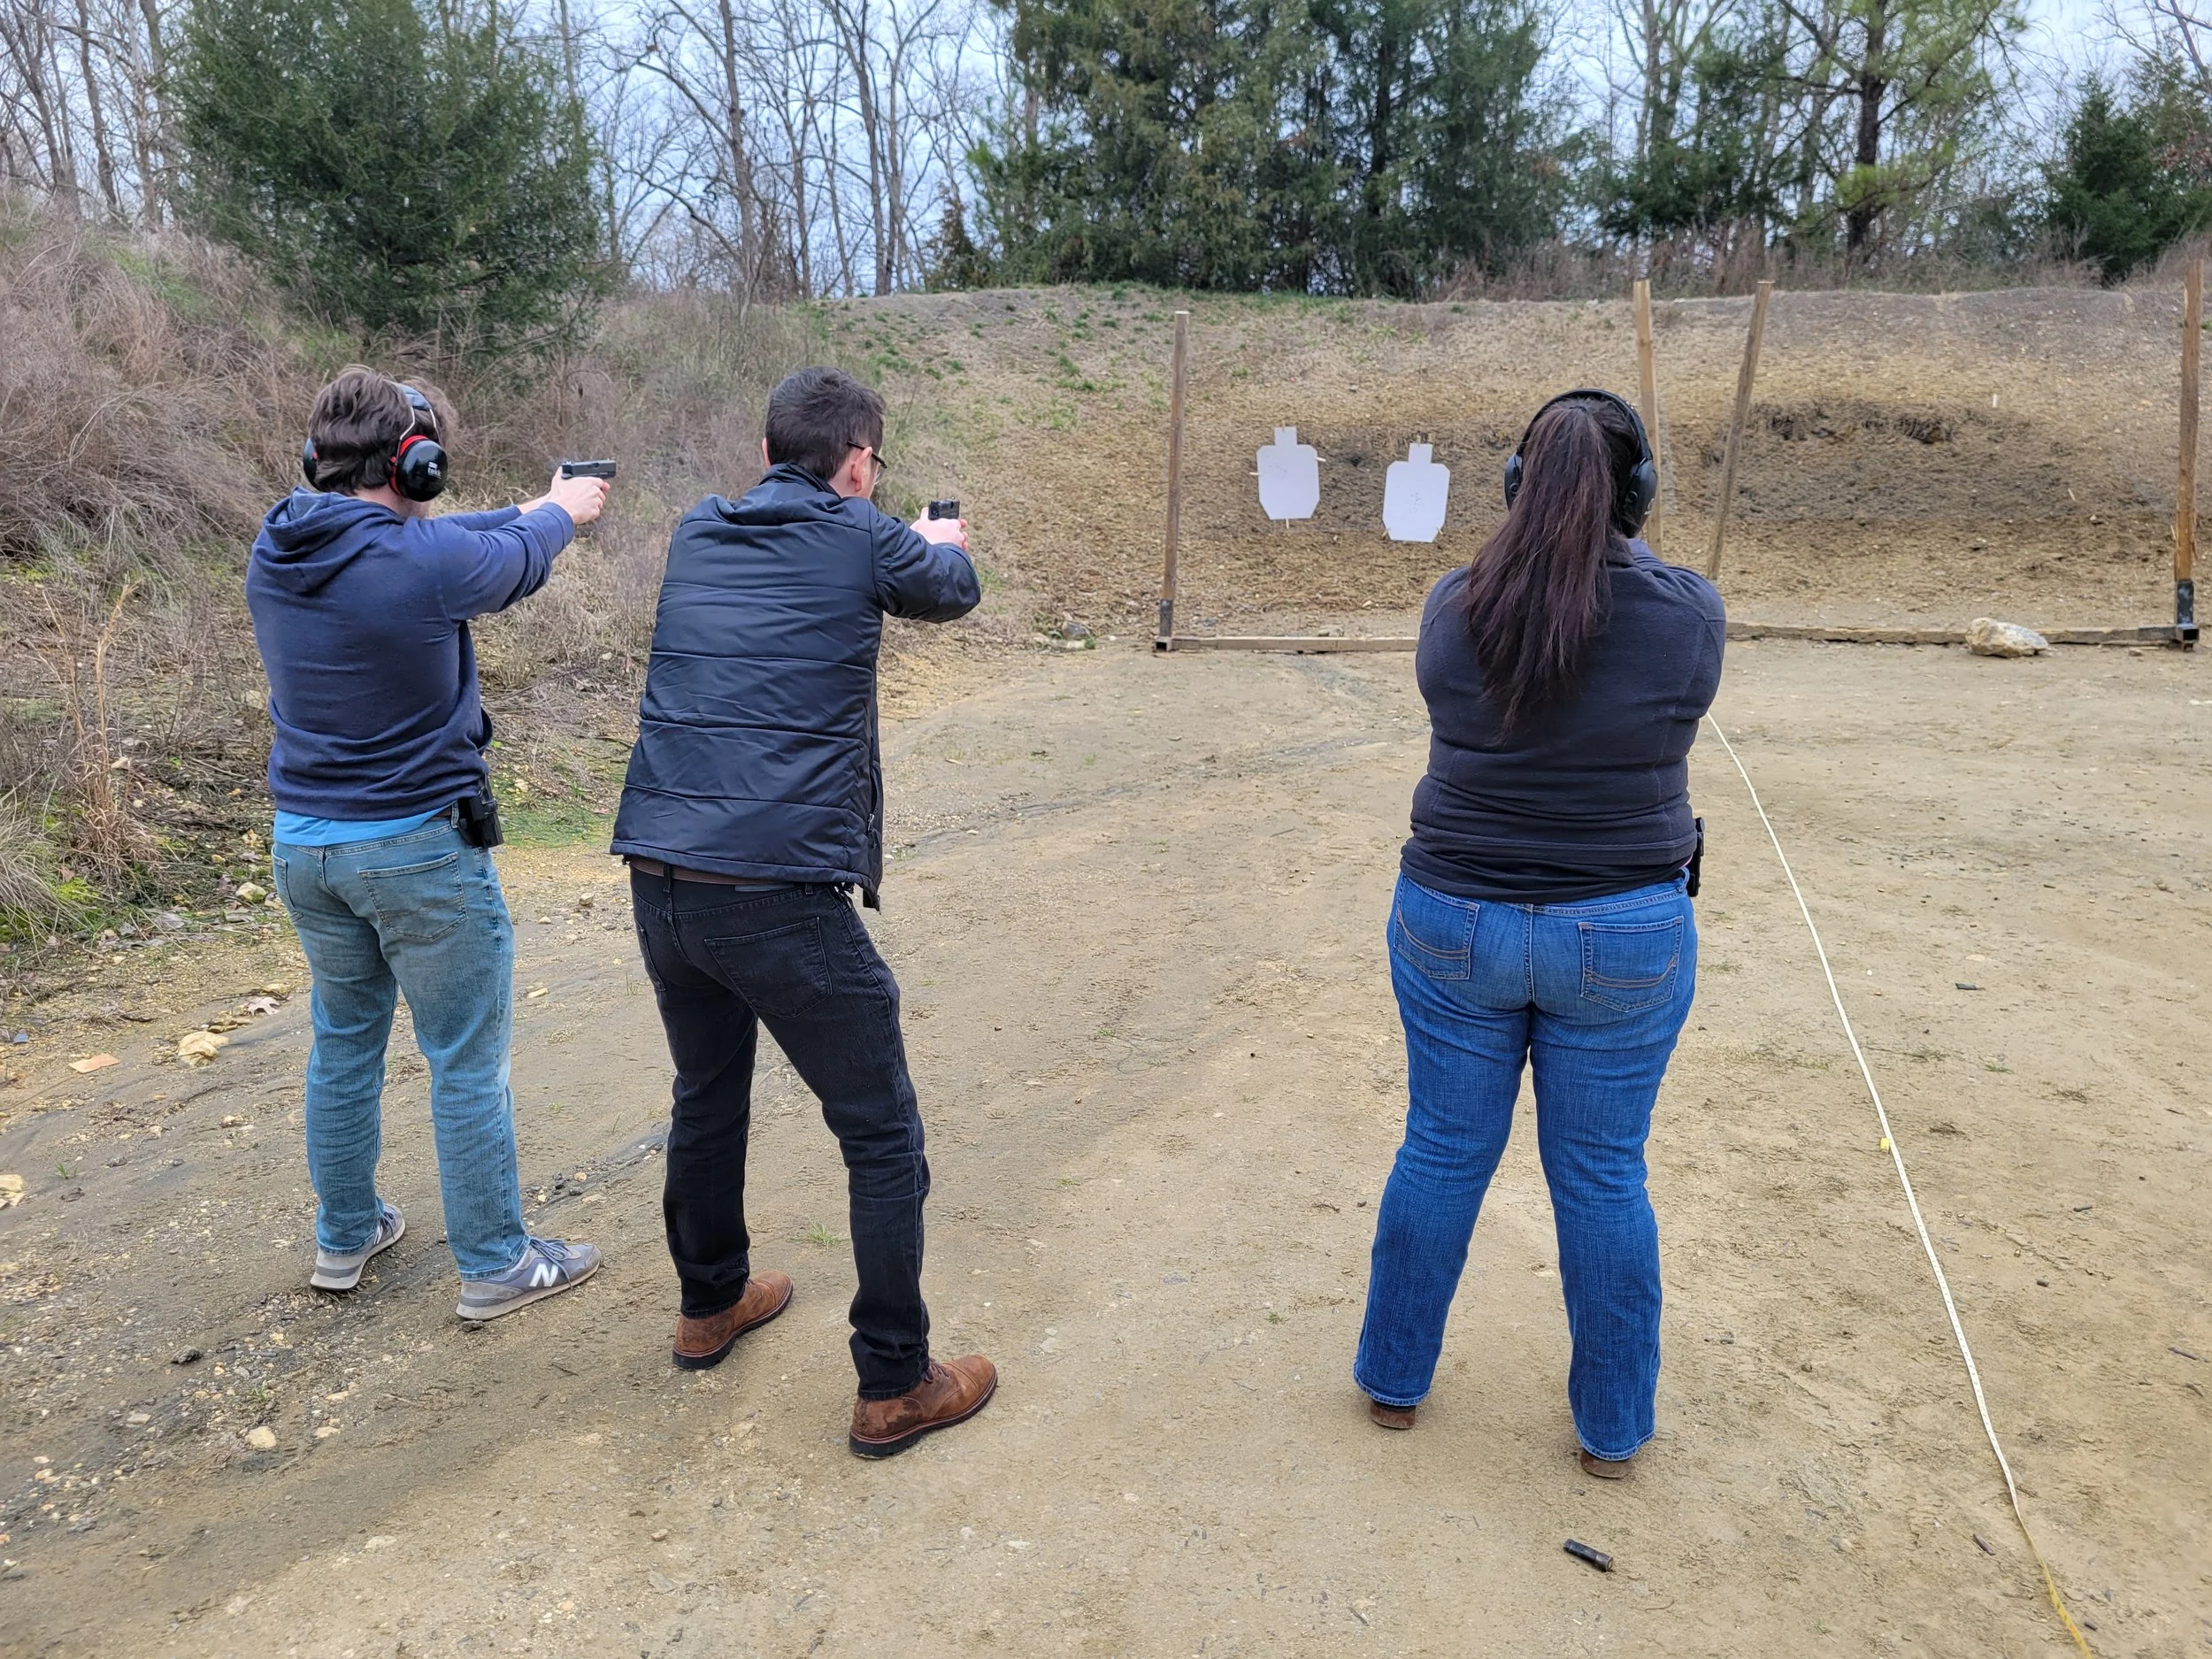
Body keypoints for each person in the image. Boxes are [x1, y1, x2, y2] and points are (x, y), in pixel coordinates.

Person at [611, 366, 995, 1458]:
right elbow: (950, 591)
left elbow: (802, 538)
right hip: (775, 891)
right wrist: (943, 538)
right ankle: (893, 1382)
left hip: (663, 880)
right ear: (861, 463)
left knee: (708, 1094)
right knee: (881, 1135)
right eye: (870, 465)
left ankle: (709, 1301)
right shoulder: (863, 534)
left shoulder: (697, 527)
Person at [1353, 389, 1724, 1478]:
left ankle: (1393, 1385)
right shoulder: (1686, 613)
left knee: (1441, 1148)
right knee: (1604, 1177)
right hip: (1621, 933)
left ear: (1515, 486)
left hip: (1453, 921)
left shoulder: (1450, 603)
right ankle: (1610, 1435)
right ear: (1641, 494)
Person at [247, 366, 611, 1321]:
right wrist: (563, 513)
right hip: (413, 849)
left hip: (306, 849)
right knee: (463, 1058)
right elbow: (515, 557)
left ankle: (345, 1233)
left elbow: (445, 535)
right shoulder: (419, 566)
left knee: (343, 1042)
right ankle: (496, 1262)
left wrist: (531, 502)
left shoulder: (278, 542)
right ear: (416, 465)